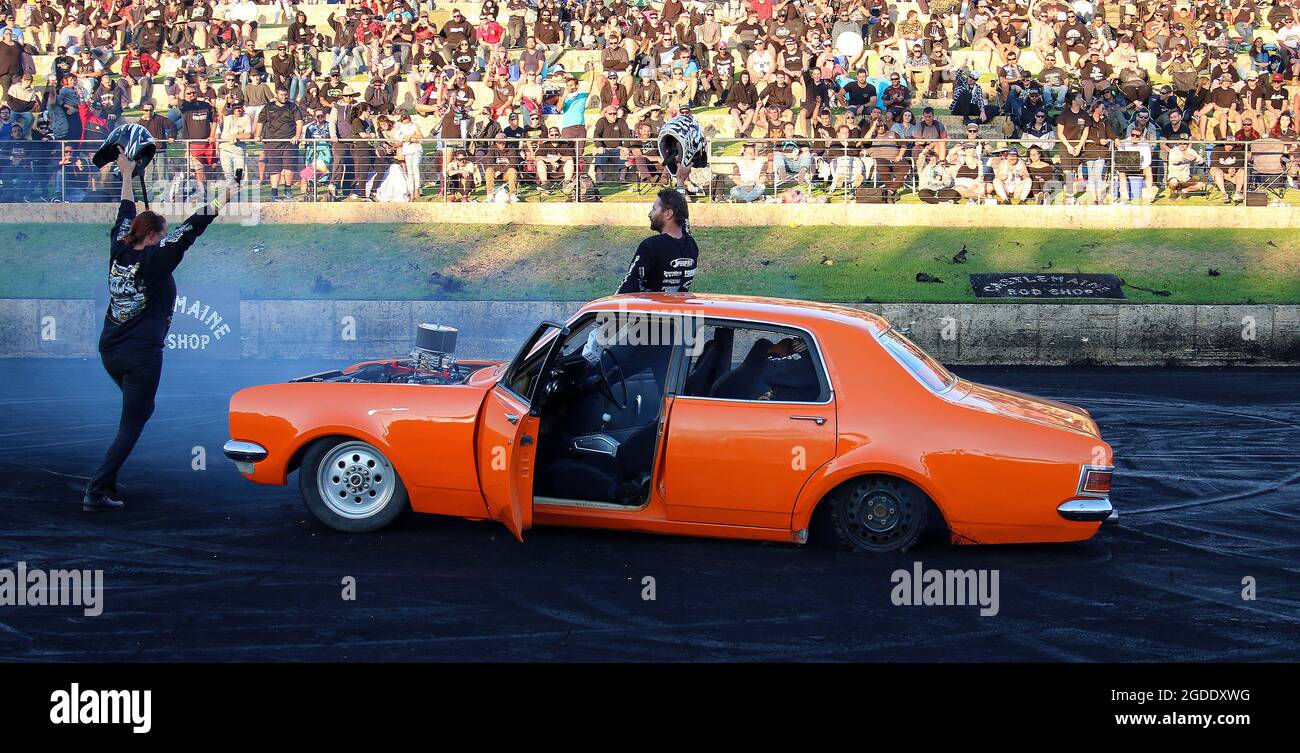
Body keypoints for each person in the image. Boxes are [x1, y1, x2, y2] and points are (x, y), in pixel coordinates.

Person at [85, 153, 235, 511]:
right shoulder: (156, 258)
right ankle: (96, 489)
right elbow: (192, 228)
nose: (165, 239)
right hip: (141, 356)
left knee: (139, 412)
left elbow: (125, 208)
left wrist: (126, 173)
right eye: (161, 235)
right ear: (152, 236)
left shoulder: (118, 248)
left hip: (111, 351)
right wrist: (226, 195)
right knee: (133, 423)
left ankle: (106, 478)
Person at [616, 188, 698, 294]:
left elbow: (629, 285)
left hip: (652, 309)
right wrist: (680, 182)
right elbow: (683, 216)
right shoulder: (691, 245)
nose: (650, 214)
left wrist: (607, 308)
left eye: (654, 209)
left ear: (668, 214)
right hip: (679, 309)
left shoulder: (651, 246)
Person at [657, 110, 708, 194]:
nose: (685, 114)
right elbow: (669, 165)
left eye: (687, 112)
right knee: (672, 165)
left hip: (690, 172)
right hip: (680, 176)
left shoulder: (694, 152)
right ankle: (683, 192)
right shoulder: (671, 156)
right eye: (682, 112)